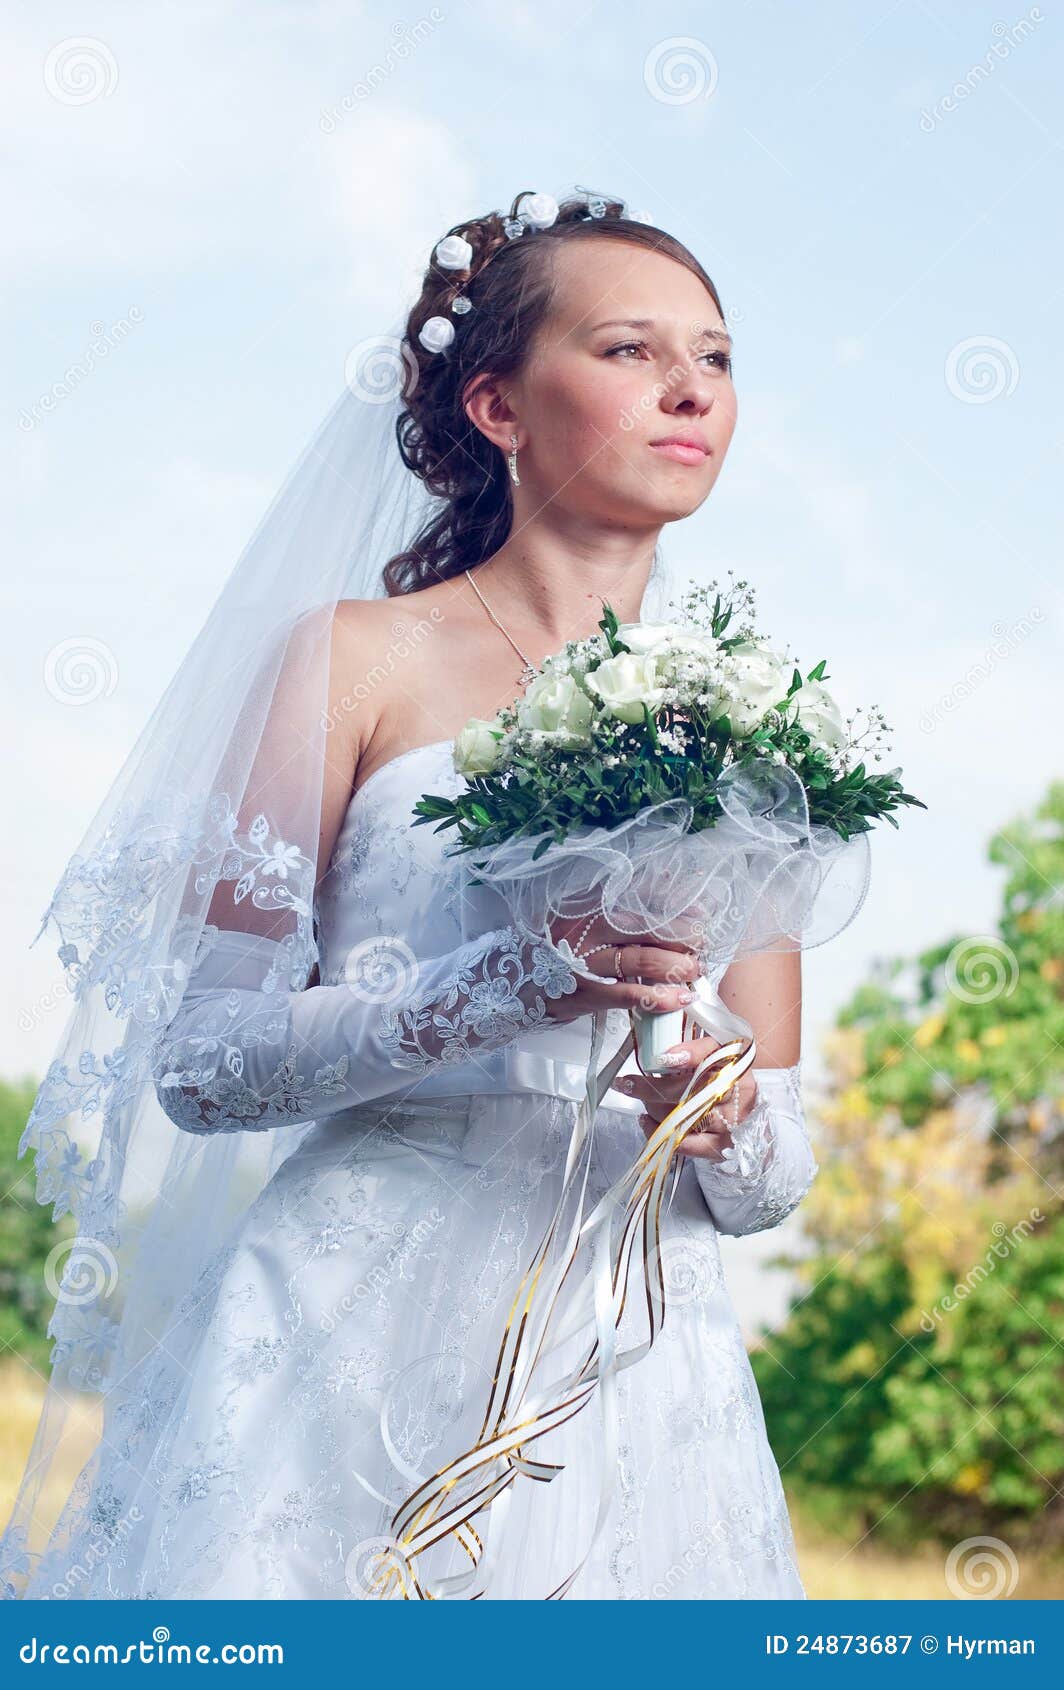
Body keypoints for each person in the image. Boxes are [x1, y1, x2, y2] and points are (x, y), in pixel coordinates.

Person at [1, 189, 853, 1601]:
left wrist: (725, 1105)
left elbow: (771, 1181)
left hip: (636, 1367)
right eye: (632, 350)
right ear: (498, 408)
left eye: (714, 355)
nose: (691, 385)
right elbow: (204, 1063)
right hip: (339, 1337)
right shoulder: (355, 660)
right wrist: (516, 981)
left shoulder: (755, 733)